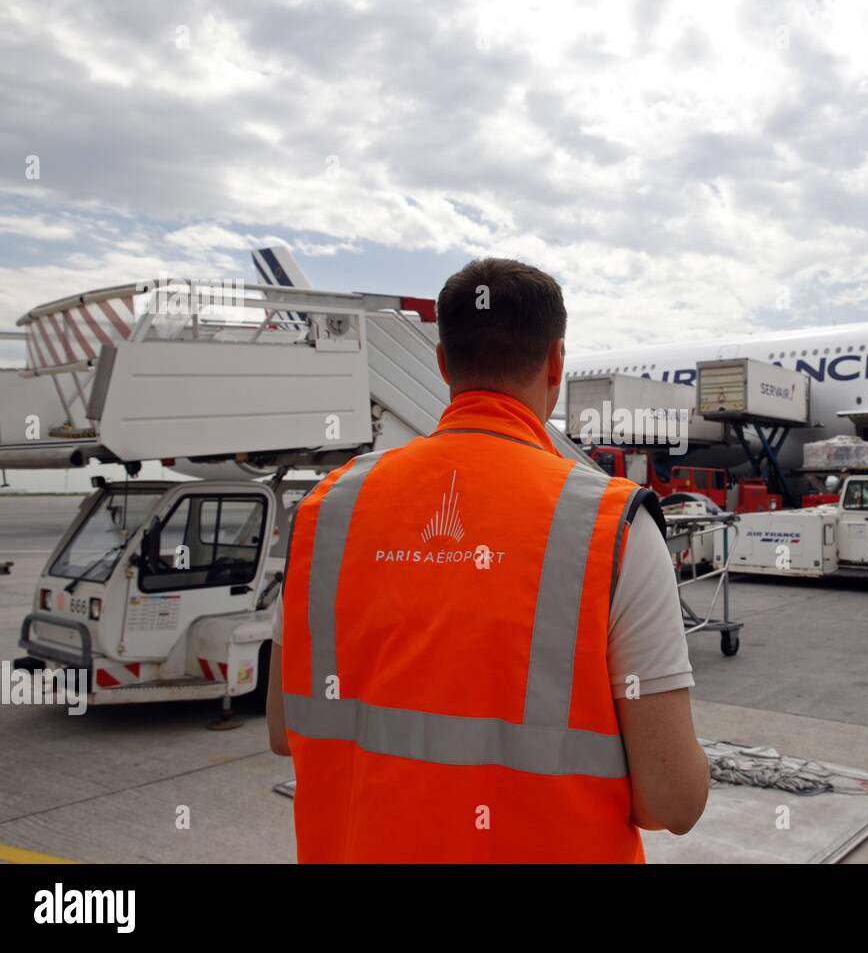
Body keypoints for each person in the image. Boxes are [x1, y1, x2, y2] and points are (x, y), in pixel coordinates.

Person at [265, 257, 708, 862]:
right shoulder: (611, 526)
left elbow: (282, 729)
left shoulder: (326, 510)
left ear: (443, 362)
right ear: (555, 362)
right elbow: (673, 802)